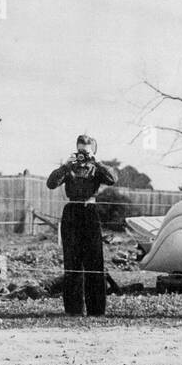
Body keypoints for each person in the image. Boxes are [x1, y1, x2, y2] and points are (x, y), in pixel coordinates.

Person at [45, 134, 117, 316]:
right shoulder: (70, 168)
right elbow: (51, 183)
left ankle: (96, 310)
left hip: (90, 211)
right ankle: (74, 310)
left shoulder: (96, 168)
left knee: (95, 262)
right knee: (72, 262)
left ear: (92, 151)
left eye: (86, 151)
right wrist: (66, 165)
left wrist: (97, 161)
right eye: (80, 151)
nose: (82, 156)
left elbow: (112, 179)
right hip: (72, 213)